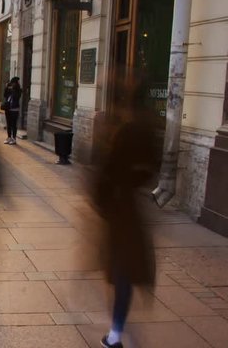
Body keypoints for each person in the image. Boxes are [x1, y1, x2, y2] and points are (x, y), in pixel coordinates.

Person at [94, 79, 158, 348]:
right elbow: (152, 167)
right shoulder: (149, 130)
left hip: (121, 210)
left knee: (121, 271)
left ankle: (115, 334)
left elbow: (107, 171)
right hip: (132, 206)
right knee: (126, 271)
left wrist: (103, 202)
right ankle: (117, 328)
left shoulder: (124, 131)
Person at [3, 77, 22, 145]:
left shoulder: (18, 90)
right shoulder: (9, 89)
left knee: (14, 124)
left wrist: (13, 89)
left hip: (14, 110)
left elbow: (16, 97)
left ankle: (14, 138)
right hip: (8, 109)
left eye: (13, 83)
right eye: (11, 83)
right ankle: (9, 137)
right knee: (8, 124)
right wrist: (6, 88)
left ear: (16, 83)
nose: (12, 85)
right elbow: (4, 95)